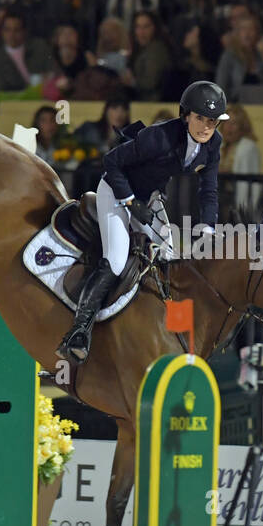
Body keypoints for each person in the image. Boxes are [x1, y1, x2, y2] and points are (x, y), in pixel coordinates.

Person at [57, 81, 227, 365]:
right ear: (186, 116)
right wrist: (130, 202)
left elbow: (208, 190)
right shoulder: (158, 137)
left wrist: (208, 229)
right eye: (200, 118)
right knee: (116, 257)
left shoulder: (213, 145)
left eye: (212, 121)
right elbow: (111, 162)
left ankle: (178, 337)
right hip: (115, 190)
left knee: (171, 262)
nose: (206, 127)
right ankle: (78, 332)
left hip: (149, 198)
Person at [215, 13, 263, 101]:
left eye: (251, 29)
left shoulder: (262, 54)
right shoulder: (229, 56)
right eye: (243, 29)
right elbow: (221, 87)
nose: (247, 33)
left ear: (257, 34)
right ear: (237, 34)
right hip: (236, 106)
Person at [0, 10, 54, 91]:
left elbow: (52, 71)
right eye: (7, 30)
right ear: (1, 32)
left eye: (17, 30)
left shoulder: (39, 47)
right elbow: (0, 85)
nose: (12, 34)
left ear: (24, 31)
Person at [219, 103, 263, 221]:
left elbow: (252, 185)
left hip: (239, 203)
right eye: (226, 123)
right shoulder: (220, 146)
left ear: (242, 126)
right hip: (221, 203)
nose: (229, 127)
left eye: (234, 123)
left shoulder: (248, 147)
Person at [121, 10, 172, 102]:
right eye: (138, 27)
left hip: (151, 103)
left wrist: (131, 81)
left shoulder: (156, 49)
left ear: (155, 28)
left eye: (146, 27)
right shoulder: (143, 49)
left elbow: (150, 82)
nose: (141, 32)